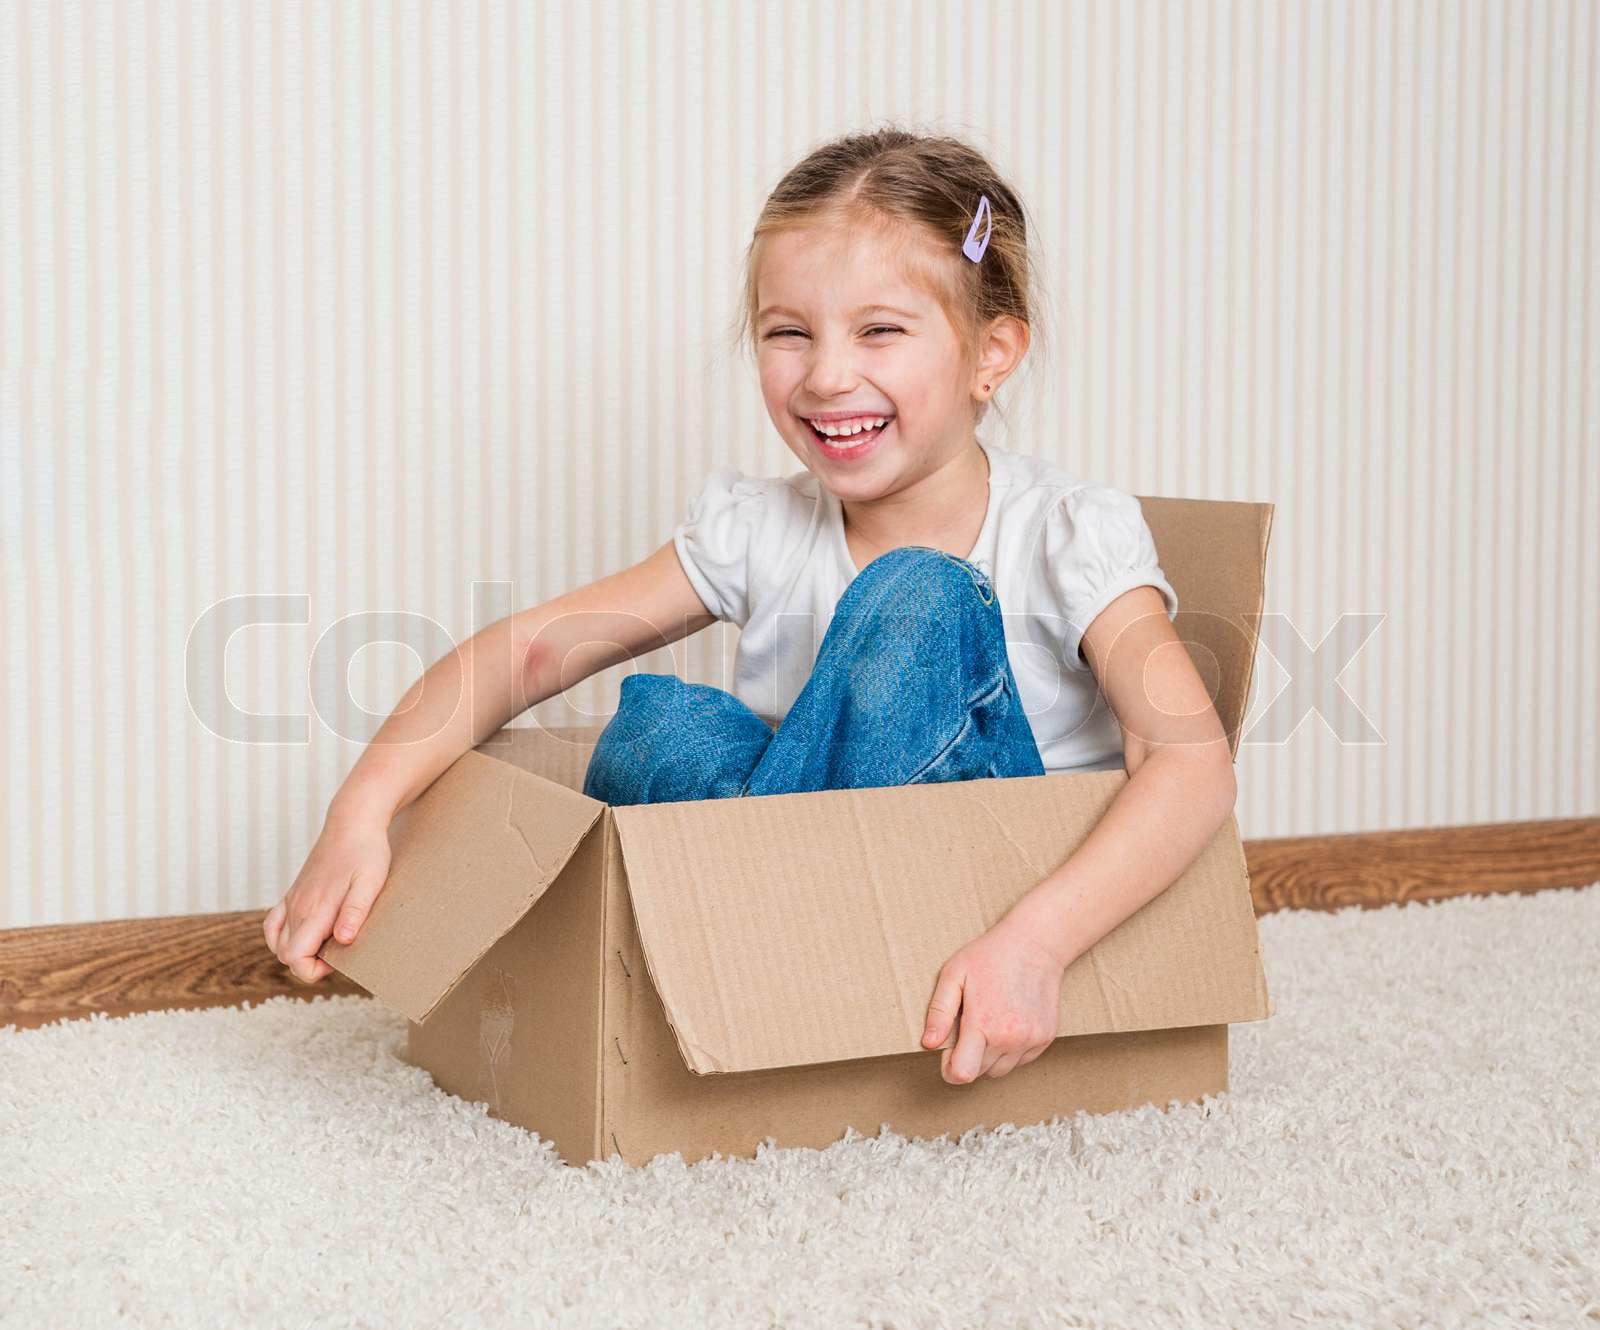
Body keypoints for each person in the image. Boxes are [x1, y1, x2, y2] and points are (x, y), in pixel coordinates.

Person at [266, 126, 1238, 1088]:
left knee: (919, 595)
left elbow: (1190, 765)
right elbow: (530, 652)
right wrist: (364, 809)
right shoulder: (760, 527)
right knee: (662, 723)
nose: (825, 374)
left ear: (992, 353)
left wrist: (1037, 943)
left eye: (880, 331)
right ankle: (785, 926)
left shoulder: (1064, 532)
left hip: (982, 895)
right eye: (788, 332)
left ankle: (776, 922)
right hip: (807, 875)